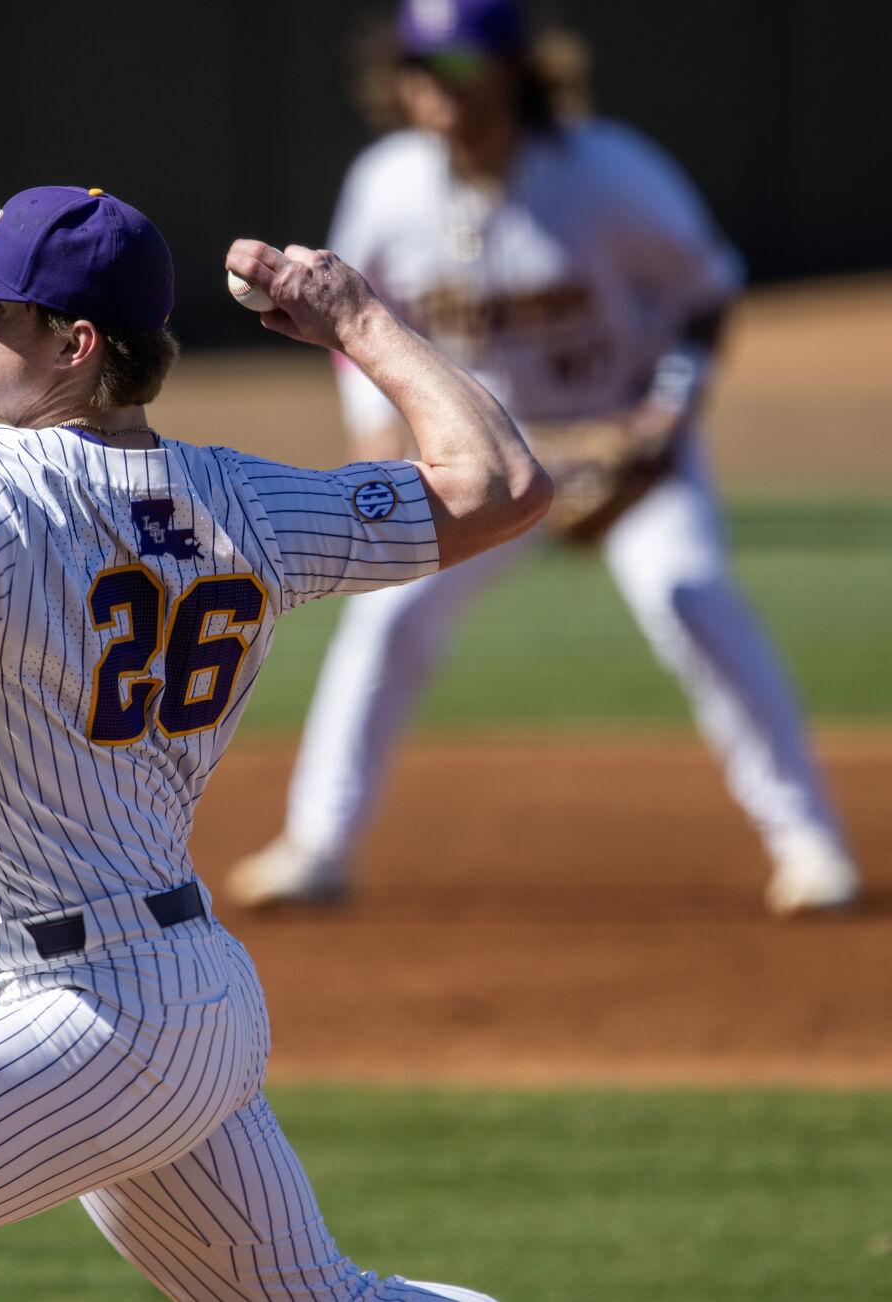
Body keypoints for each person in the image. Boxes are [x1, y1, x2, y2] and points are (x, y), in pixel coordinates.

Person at [0, 184, 549, 1299]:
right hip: (196, 1001)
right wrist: (358, 323)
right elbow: (502, 486)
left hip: (99, 1014)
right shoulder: (243, 502)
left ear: (76, 345)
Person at [226, 0, 860, 917]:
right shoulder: (389, 181)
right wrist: (373, 424)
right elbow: (350, 322)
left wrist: (660, 426)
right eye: (414, 64)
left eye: (450, 64)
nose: (426, 84)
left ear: (514, 69)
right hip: (481, 462)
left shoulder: (608, 174)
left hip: (622, 452)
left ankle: (809, 845)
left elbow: (706, 295)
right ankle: (320, 846)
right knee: (386, 622)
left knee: (694, 596)